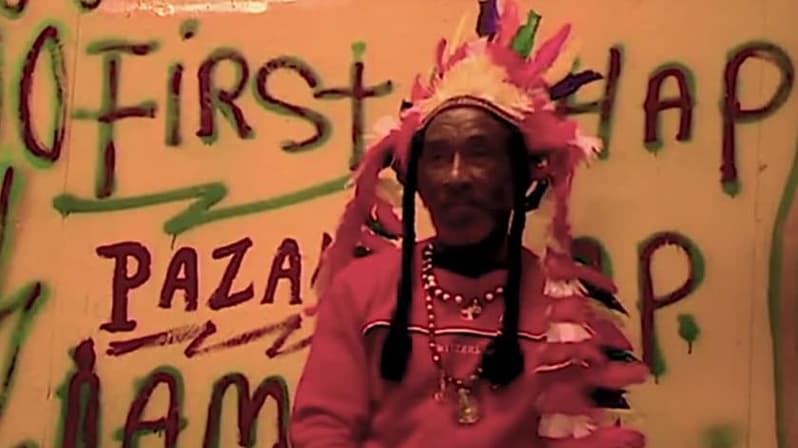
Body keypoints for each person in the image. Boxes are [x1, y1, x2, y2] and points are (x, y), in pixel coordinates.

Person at [291, 1, 649, 446]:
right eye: (438, 157)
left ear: (522, 176)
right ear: (416, 180)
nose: (457, 177)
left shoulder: (565, 310)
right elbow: (321, 430)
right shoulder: (361, 291)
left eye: (480, 153)